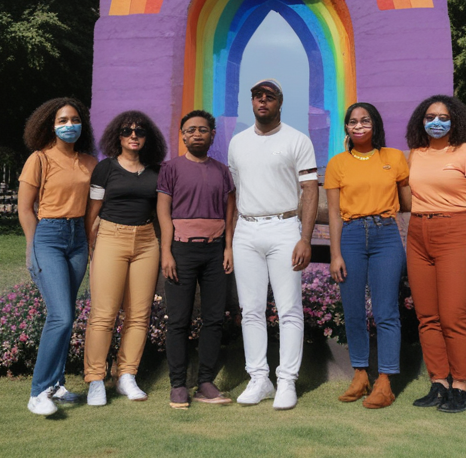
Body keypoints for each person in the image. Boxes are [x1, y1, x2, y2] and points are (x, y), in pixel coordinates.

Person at [228, 79, 318, 410]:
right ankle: (259, 379)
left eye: (270, 97)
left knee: (289, 308)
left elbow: (310, 190)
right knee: (250, 309)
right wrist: (231, 239)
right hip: (247, 230)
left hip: (284, 227)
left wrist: (304, 238)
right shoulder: (237, 143)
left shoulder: (297, 140)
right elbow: (235, 192)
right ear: (251, 102)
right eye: (257, 97)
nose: (262, 101)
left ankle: (287, 381)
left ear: (280, 102)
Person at [406, 95, 466, 413]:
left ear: (455, 120)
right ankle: (439, 381)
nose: (436, 122)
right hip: (418, 235)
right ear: (421, 120)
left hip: (456, 233)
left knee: (454, 316)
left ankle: (461, 387)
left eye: (443, 117)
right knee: (427, 316)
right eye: (430, 117)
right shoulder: (415, 153)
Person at [325, 103, 410, 409]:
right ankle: (360, 375)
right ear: (346, 128)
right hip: (349, 235)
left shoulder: (394, 158)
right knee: (354, 310)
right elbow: (334, 213)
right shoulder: (337, 164)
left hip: (386, 234)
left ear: (375, 124)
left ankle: (385, 381)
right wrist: (335, 254)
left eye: (365, 120)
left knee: (387, 311)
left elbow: (406, 201)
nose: (358, 125)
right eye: (352, 122)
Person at [18, 97, 97, 416]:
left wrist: (90, 245)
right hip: (47, 236)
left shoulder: (90, 162)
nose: (69, 125)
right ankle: (38, 393)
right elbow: (25, 208)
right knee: (60, 315)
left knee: (68, 314)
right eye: (62, 120)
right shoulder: (39, 159)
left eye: (75, 119)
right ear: (49, 125)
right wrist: (32, 245)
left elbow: (93, 209)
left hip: (78, 238)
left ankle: (56, 384)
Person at [84, 111, 166, 406]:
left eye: (140, 131)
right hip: (110, 237)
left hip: (147, 242)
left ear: (148, 137)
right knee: (104, 314)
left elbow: (162, 214)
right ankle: (95, 379)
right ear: (117, 136)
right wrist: (90, 244)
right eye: (127, 130)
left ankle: (126, 376)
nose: (134, 135)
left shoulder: (157, 172)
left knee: (139, 315)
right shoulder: (105, 169)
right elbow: (92, 211)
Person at [157, 110, 236, 408]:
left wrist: (228, 247)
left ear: (212, 134)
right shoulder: (171, 168)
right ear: (183, 136)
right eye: (190, 130)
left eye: (203, 129)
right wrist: (167, 252)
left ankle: (205, 382)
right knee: (178, 319)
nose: (196, 134)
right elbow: (163, 213)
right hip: (181, 250)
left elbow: (230, 210)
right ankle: (178, 384)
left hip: (215, 251)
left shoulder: (222, 170)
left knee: (214, 318)